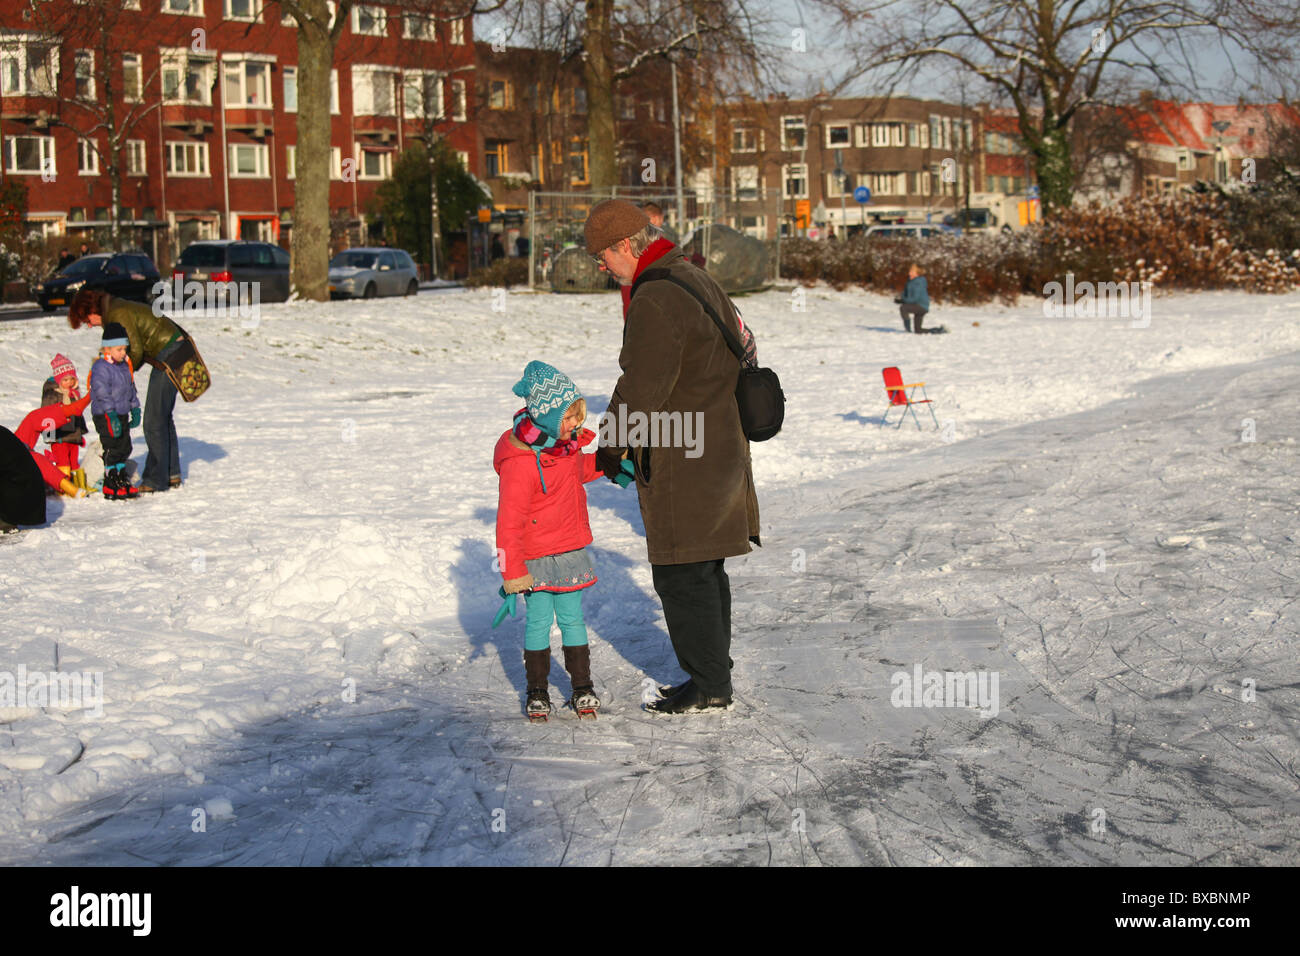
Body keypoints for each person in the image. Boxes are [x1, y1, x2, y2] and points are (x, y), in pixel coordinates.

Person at [585, 199, 760, 715]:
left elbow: (641, 386)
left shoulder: (657, 296)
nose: (601, 268)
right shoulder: (691, 274)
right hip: (719, 442)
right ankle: (712, 674)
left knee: (683, 571)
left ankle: (708, 685)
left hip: (686, 454)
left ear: (623, 245)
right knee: (706, 569)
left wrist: (610, 446)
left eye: (601, 257)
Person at [494, 361, 606, 720]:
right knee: (539, 621)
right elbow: (508, 523)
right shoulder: (521, 462)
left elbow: (578, 473)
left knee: (573, 619)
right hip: (536, 557)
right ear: (547, 417)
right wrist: (512, 571)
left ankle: (582, 687)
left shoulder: (565, 447)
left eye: (578, 415)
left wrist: (611, 463)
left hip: (569, 548)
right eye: (569, 417)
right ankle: (537, 691)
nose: (576, 424)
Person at [68, 289, 186, 492]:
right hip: (174, 349)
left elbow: (135, 350)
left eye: (86, 319)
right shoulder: (114, 309)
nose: (89, 325)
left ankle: (155, 480)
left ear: (93, 310)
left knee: (153, 420)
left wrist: (118, 378)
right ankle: (171, 473)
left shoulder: (117, 313)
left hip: (171, 353)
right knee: (162, 417)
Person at [89, 321, 141, 500]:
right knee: (112, 445)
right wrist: (110, 414)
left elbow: (130, 388)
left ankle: (121, 477)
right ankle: (110, 479)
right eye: (119, 349)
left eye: (124, 349)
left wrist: (134, 408)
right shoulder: (100, 368)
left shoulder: (124, 366)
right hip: (105, 414)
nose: (123, 353)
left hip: (121, 412)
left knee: (125, 445)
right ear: (108, 349)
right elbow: (101, 392)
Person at [40, 354, 89, 491]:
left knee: (74, 462)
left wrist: (81, 433)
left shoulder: (74, 394)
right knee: (63, 462)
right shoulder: (52, 394)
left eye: (71, 379)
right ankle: (64, 487)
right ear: (58, 379)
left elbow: (78, 416)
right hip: (59, 436)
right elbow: (46, 415)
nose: (69, 382)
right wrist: (49, 436)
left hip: (73, 435)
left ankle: (77, 485)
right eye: (65, 379)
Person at [896, 263, 930, 333]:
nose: (909, 273)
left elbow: (914, 298)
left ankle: (907, 330)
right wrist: (900, 298)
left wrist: (903, 301)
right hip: (917, 305)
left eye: (911, 271)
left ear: (918, 273)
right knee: (918, 330)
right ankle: (940, 330)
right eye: (909, 271)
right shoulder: (910, 281)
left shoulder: (919, 283)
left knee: (903, 308)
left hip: (921, 306)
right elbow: (905, 293)